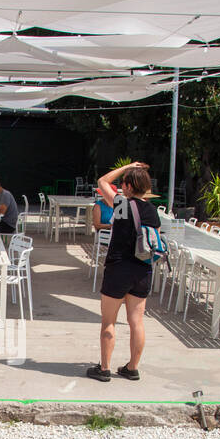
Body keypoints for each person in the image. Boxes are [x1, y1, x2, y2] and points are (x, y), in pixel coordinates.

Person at [88, 161, 157, 383]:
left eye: (124, 184)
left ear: (127, 186)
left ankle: (105, 369)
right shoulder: (152, 211)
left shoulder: (122, 205)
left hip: (118, 269)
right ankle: (132, 368)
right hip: (143, 270)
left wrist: (129, 166)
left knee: (108, 321)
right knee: (137, 322)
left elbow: (102, 181)